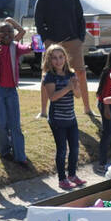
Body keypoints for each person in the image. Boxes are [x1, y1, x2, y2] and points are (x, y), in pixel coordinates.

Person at [34, 0, 96, 122]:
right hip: (52, 43)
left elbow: (81, 21)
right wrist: (46, 39)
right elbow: (39, 21)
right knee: (47, 75)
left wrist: (80, 39)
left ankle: (87, 108)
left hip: (73, 41)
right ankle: (43, 111)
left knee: (80, 73)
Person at [0, 17, 30, 169]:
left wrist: (41, 35)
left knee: (15, 125)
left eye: (10, 32)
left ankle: (20, 156)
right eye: (2, 32)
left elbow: (33, 48)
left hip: (11, 91)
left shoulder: (15, 46)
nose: (6, 35)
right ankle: (4, 151)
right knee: (0, 124)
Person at [42, 44, 83, 190]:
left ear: (65, 57)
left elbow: (78, 96)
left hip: (71, 117)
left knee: (75, 148)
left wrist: (76, 86)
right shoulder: (49, 76)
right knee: (62, 150)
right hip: (57, 119)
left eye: (61, 57)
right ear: (49, 60)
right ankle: (62, 179)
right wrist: (68, 88)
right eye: (54, 58)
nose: (58, 61)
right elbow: (52, 97)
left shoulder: (71, 74)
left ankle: (72, 175)